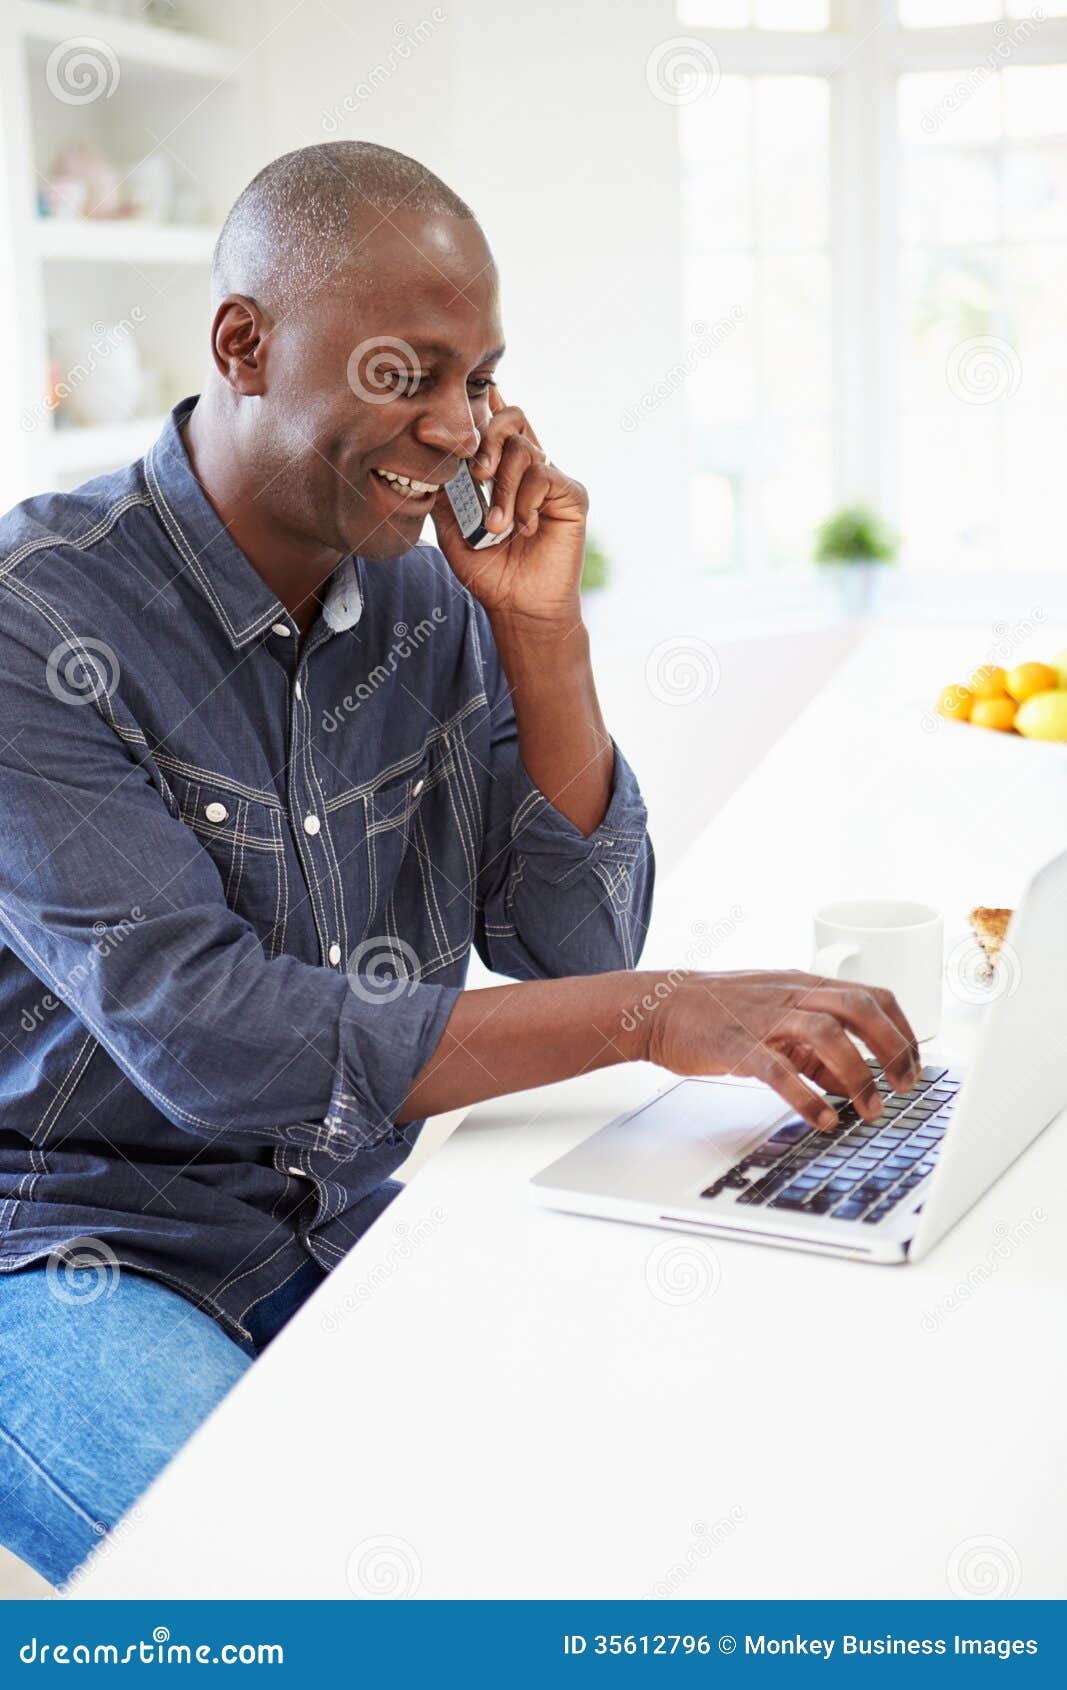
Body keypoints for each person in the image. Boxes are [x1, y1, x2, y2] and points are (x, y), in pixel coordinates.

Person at [0, 142, 918, 1586]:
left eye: (477, 378)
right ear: (244, 344)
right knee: (281, 1594)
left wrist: (541, 635)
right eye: (404, 374)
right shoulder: (34, 621)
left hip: (344, 1211)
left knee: (633, 1511)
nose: (456, 427)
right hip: (70, 1244)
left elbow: (576, 944)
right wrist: (658, 1013)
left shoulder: (426, 599)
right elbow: (204, 1031)